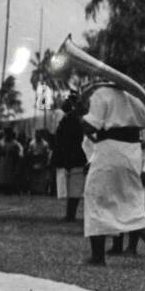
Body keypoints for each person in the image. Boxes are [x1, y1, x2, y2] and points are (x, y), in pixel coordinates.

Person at [77, 84, 145, 268]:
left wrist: (79, 115)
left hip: (108, 151)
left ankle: (98, 257)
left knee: (96, 199)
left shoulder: (102, 93)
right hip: (132, 153)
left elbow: (90, 126)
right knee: (133, 204)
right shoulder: (140, 97)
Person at [53, 92, 87, 221]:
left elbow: (74, 137)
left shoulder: (75, 118)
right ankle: (70, 214)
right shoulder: (68, 118)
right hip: (70, 154)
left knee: (75, 186)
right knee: (71, 186)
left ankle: (71, 214)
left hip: (76, 155)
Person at [0, 128, 21, 194]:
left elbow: (17, 155)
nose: (7, 135)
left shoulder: (15, 143)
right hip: (2, 161)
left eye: (9, 134)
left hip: (11, 161)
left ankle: (10, 190)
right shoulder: (0, 142)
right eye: (6, 134)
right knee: (2, 176)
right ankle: (2, 189)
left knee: (10, 177)